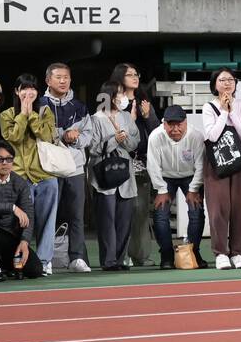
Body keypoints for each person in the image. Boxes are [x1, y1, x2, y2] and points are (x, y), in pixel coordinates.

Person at [1, 74, 58, 276]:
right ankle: (20, 261)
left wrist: (31, 114)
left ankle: (44, 260)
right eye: (24, 89)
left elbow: (45, 135)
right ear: (17, 91)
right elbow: (13, 138)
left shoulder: (45, 111)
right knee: (21, 221)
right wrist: (23, 115)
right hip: (18, 176)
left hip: (44, 174)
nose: (28, 92)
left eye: (32, 88)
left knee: (47, 219)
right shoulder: (7, 115)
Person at [38, 63, 92, 273]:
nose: (63, 81)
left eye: (66, 77)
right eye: (58, 77)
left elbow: (88, 135)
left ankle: (76, 258)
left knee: (77, 215)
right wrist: (63, 135)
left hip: (75, 168)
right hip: (49, 168)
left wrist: (75, 139)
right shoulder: (40, 105)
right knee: (48, 213)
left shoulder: (80, 107)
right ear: (48, 80)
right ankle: (45, 259)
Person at [201, 67, 241, 269]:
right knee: (218, 209)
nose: (227, 83)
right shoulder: (209, 107)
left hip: (240, 162)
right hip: (217, 163)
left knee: (240, 207)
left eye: (230, 79)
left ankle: (238, 252)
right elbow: (212, 136)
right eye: (222, 80)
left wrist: (232, 112)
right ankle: (221, 253)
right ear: (215, 84)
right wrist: (223, 112)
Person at [108, 63, 159, 267]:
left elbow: (156, 132)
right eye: (129, 75)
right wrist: (129, 119)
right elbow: (108, 128)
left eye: (136, 74)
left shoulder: (144, 101)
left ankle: (141, 256)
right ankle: (120, 255)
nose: (135, 77)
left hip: (141, 163)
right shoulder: (111, 102)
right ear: (119, 78)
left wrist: (147, 117)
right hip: (119, 162)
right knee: (122, 211)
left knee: (140, 211)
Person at [0, 139, 44, 279]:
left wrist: (24, 241)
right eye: (0, 159)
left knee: (35, 270)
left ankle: (6, 264)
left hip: (8, 235)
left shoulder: (20, 182)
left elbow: (28, 214)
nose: (5, 163)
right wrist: (12, 208)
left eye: (9, 159)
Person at [87, 82, 140, 272]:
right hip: (103, 174)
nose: (122, 97)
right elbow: (92, 148)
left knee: (125, 218)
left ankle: (120, 259)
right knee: (106, 219)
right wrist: (112, 141)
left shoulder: (126, 117)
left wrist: (124, 139)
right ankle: (108, 261)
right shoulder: (95, 118)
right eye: (119, 93)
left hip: (125, 173)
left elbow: (135, 142)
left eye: (123, 93)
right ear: (108, 95)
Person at [146, 105, 205, 270]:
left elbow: (201, 165)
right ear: (164, 124)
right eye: (171, 124)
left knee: (196, 212)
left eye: (179, 124)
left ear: (186, 122)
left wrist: (194, 189)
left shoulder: (195, 136)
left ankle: (193, 252)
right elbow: (152, 165)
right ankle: (166, 255)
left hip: (190, 175)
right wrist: (161, 189)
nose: (175, 128)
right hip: (165, 177)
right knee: (160, 215)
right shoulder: (155, 136)